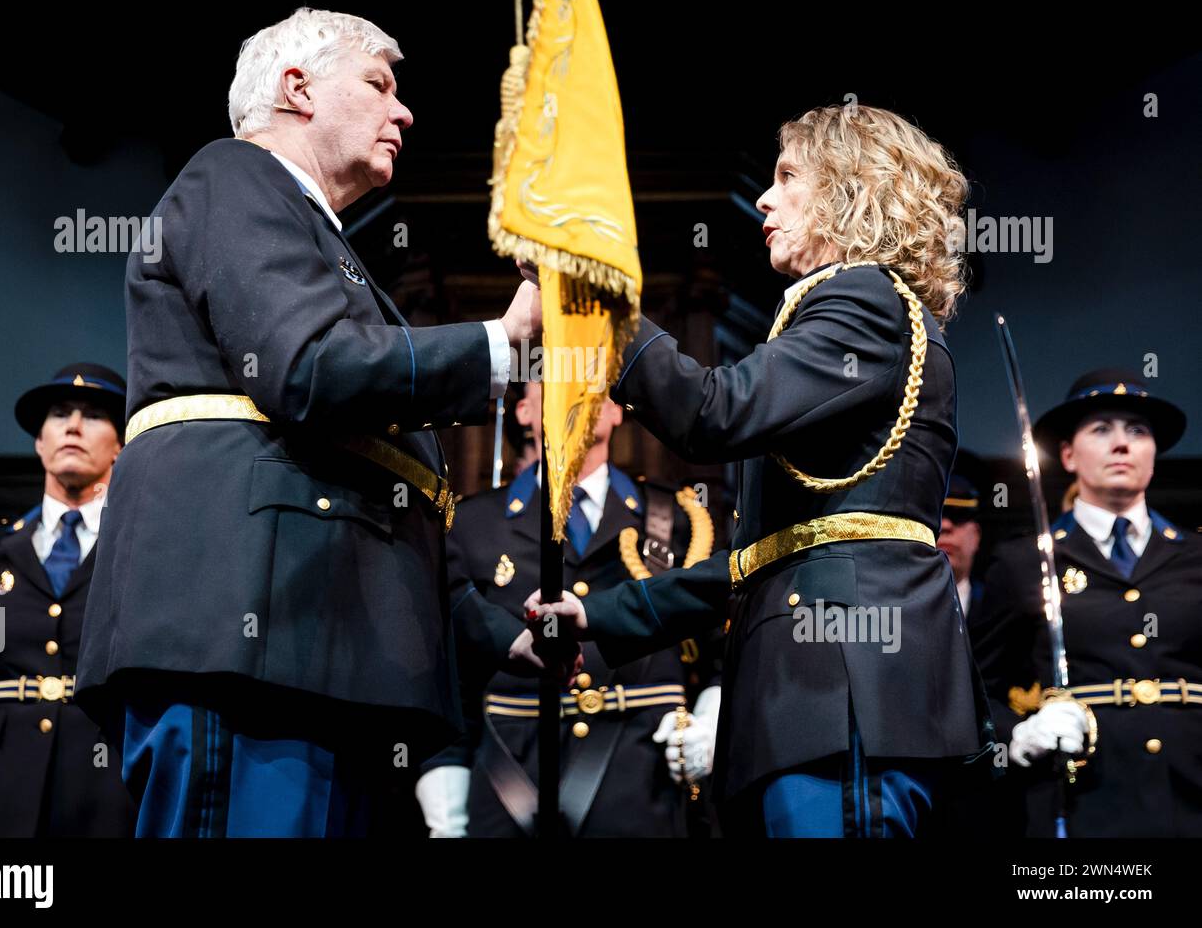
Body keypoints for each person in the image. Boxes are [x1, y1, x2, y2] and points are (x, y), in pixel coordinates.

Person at [74, 8, 541, 837]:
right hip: (247, 642)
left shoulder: (330, 252)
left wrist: (503, 637)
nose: (404, 113)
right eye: (379, 85)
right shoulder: (235, 175)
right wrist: (499, 344)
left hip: (315, 649)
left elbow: (391, 483)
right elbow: (307, 365)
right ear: (297, 88)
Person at [527, 104, 994, 837]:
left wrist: (602, 307)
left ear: (851, 188)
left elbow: (712, 413)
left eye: (787, 178)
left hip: (844, 695)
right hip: (825, 696)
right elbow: (772, 555)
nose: (764, 201)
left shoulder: (863, 298)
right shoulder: (860, 310)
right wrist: (598, 615)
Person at [416, 383, 720, 837]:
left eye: (592, 377)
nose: (576, 388)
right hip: (508, 780)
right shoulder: (471, 525)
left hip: (642, 783)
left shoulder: (675, 520)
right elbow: (449, 669)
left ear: (618, 410)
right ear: (523, 409)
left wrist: (714, 718)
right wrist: (445, 787)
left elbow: (719, 648)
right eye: (557, 373)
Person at [973, 369, 1201, 836]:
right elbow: (974, 686)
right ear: (1069, 454)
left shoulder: (1195, 556)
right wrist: (1017, 733)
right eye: (1102, 430)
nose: (1122, 444)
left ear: (1154, 454)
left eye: (1138, 432)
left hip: (1191, 793)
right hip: (1084, 801)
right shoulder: (1024, 562)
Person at [0, 364, 135, 837]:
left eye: (94, 416)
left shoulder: (139, 550)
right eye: (59, 414)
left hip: (102, 793)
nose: (74, 426)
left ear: (120, 445)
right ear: (40, 442)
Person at [938, 471, 987, 633]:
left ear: (976, 535)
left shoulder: (996, 605)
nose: (945, 526)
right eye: (934, 517)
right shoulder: (892, 609)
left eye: (959, 516)